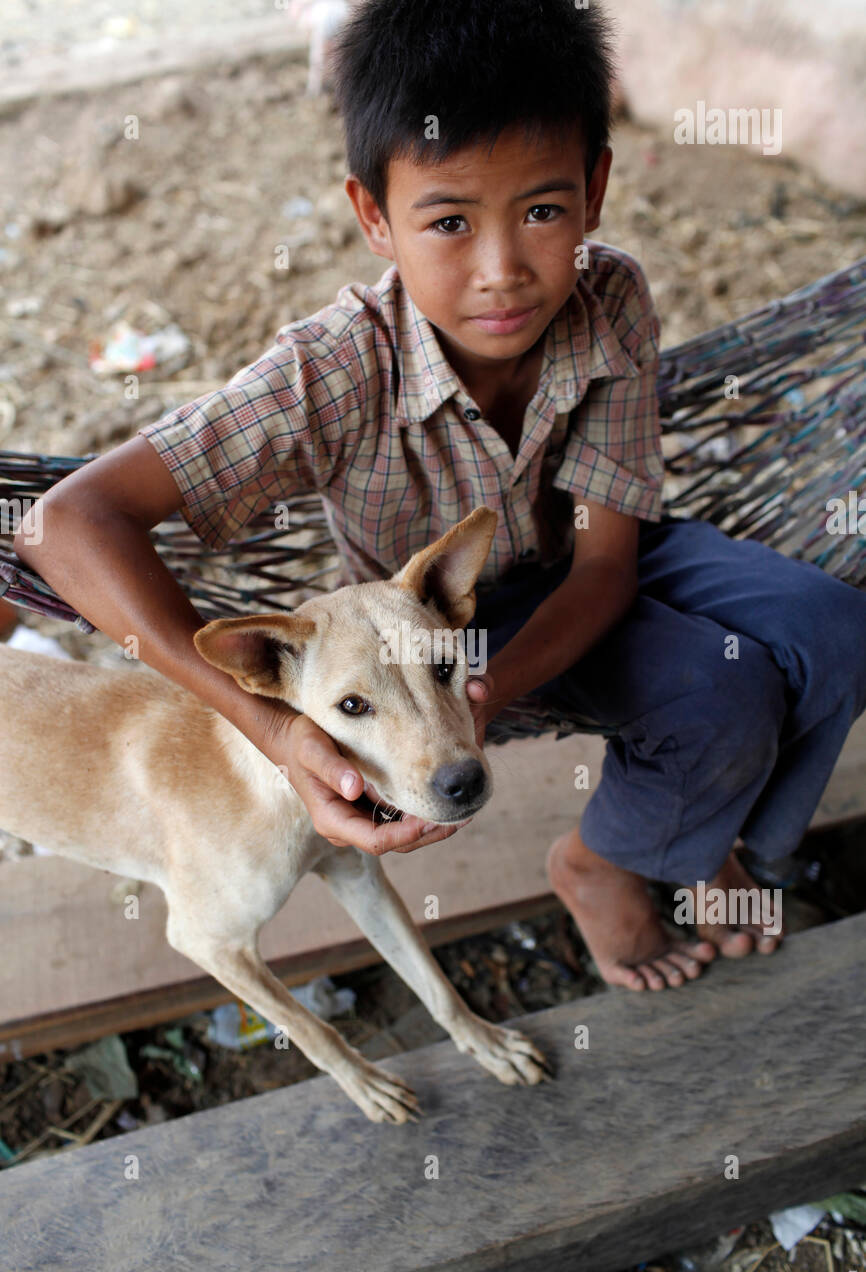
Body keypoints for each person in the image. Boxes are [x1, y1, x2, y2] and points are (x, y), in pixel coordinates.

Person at [16, 0, 866, 993]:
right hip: (430, 641)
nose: (500, 271)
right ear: (372, 215)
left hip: (597, 561)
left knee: (834, 626)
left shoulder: (610, 300)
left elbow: (603, 563)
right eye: (449, 222)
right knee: (722, 691)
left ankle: (699, 841)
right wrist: (274, 727)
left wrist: (485, 698)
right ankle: (603, 868)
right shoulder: (332, 371)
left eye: (541, 211)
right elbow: (63, 523)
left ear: (593, 190)